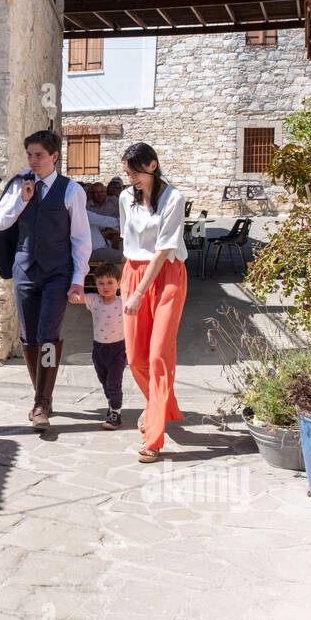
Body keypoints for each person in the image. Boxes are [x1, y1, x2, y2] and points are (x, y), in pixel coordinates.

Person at [0, 129, 91, 429]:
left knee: (48, 335)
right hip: (24, 270)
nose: (33, 161)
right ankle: (42, 395)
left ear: (55, 157)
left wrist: (78, 279)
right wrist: (22, 200)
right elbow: (0, 222)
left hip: (56, 273)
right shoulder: (19, 185)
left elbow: (81, 239)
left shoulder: (71, 190)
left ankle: (41, 404)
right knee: (29, 337)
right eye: (30, 155)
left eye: (39, 155)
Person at [118, 142, 189, 462]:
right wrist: (130, 285)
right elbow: (129, 242)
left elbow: (163, 249)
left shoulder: (173, 199)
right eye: (127, 173)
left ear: (152, 165)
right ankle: (161, 405)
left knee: (159, 353)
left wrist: (139, 292)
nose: (130, 178)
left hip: (167, 276)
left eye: (135, 172)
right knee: (135, 358)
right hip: (133, 272)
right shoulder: (124, 198)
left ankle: (154, 435)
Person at [69, 260, 126, 430]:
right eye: (100, 283)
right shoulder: (93, 300)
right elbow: (77, 298)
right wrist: (73, 295)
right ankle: (112, 405)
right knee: (104, 380)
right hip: (99, 349)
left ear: (119, 284)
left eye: (110, 282)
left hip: (118, 349)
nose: (105, 286)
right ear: (95, 285)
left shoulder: (122, 302)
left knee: (113, 383)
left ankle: (116, 413)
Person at [86, 182, 123, 263]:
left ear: (105, 192)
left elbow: (123, 214)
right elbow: (99, 220)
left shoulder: (114, 202)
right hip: (98, 240)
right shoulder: (87, 207)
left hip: (116, 233)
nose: (99, 195)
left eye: (101, 192)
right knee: (121, 258)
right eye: (96, 192)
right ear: (92, 194)